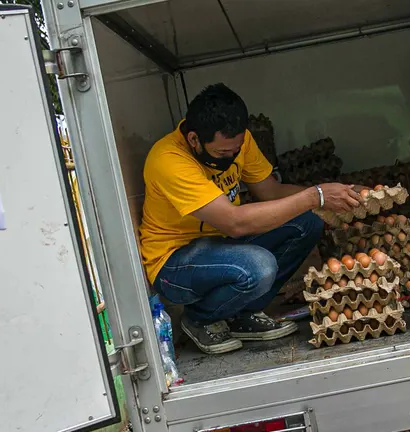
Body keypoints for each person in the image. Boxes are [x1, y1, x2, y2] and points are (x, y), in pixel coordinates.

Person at [138, 84, 361, 354]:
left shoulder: (236, 142)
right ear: (194, 139)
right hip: (175, 263)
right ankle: (199, 318)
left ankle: (242, 315)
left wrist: (339, 194)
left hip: (222, 244)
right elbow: (234, 222)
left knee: (307, 221)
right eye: (222, 153)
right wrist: (317, 196)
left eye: (236, 149)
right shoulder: (169, 159)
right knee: (259, 266)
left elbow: (271, 191)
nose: (232, 157)